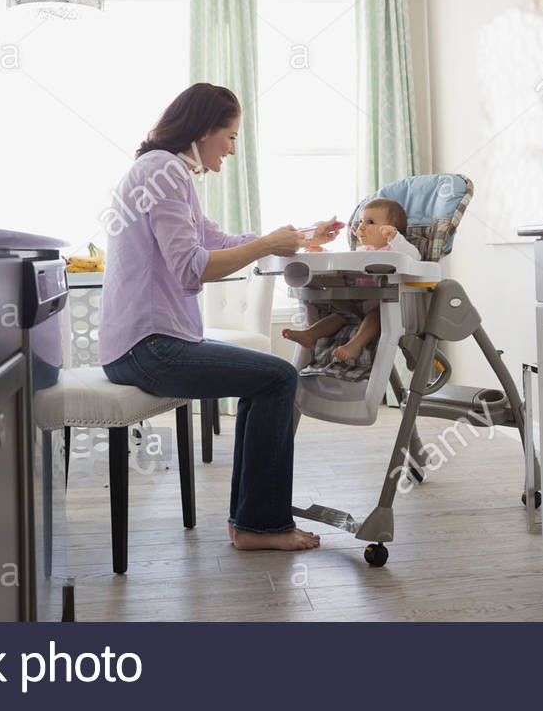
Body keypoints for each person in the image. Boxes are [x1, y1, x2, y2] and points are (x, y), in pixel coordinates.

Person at [99, 83, 341, 552]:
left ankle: (253, 522)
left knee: (267, 379)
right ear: (202, 130)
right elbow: (195, 265)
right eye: (229, 135)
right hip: (148, 349)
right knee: (278, 378)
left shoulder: (168, 174)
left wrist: (305, 234)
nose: (232, 149)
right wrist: (269, 246)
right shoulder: (164, 172)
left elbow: (223, 241)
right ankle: (258, 525)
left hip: (144, 346)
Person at [281, 197, 419, 364]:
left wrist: (396, 239)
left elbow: (414, 258)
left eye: (370, 222)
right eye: (361, 221)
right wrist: (319, 250)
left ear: (390, 229)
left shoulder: (395, 250)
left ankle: (355, 345)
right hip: (357, 303)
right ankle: (309, 334)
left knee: (374, 316)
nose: (361, 226)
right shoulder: (361, 251)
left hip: (384, 306)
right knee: (339, 315)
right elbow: (341, 264)